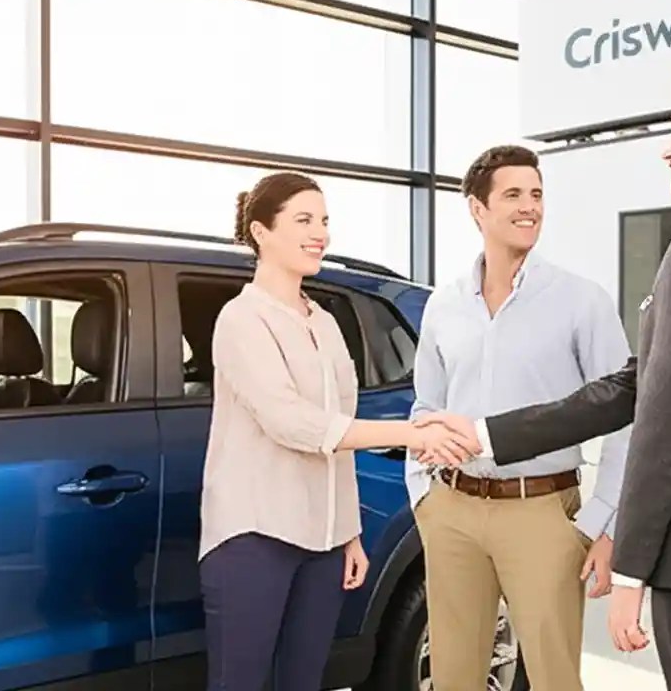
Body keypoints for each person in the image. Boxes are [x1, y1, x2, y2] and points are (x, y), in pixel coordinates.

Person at [417, 57, 671, 691]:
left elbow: (670, 417)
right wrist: (490, 435)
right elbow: (646, 385)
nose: (668, 148)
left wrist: (629, 566)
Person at [200, 171, 474, 691]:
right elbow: (292, 423)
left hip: (323, 542)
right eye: (303, 220)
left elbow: (337, 428)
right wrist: (412, 435)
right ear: (261, 232)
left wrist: (348, 532)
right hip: (254, 535)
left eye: (324, 221)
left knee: (304, 682)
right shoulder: (241, 319)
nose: (320, 233)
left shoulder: (323, 320)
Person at [403, 145, 632, 691]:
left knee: (554, 679)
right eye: (513, 195)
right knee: (453, 677)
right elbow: (425, 407)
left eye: (536, 194)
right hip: (451, 510)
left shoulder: (582, 301)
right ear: (477, 209)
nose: (529, 206)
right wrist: (424, 496)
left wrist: (603, 521)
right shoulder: (444, 304)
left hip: (543, 513)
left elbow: (626, 413)